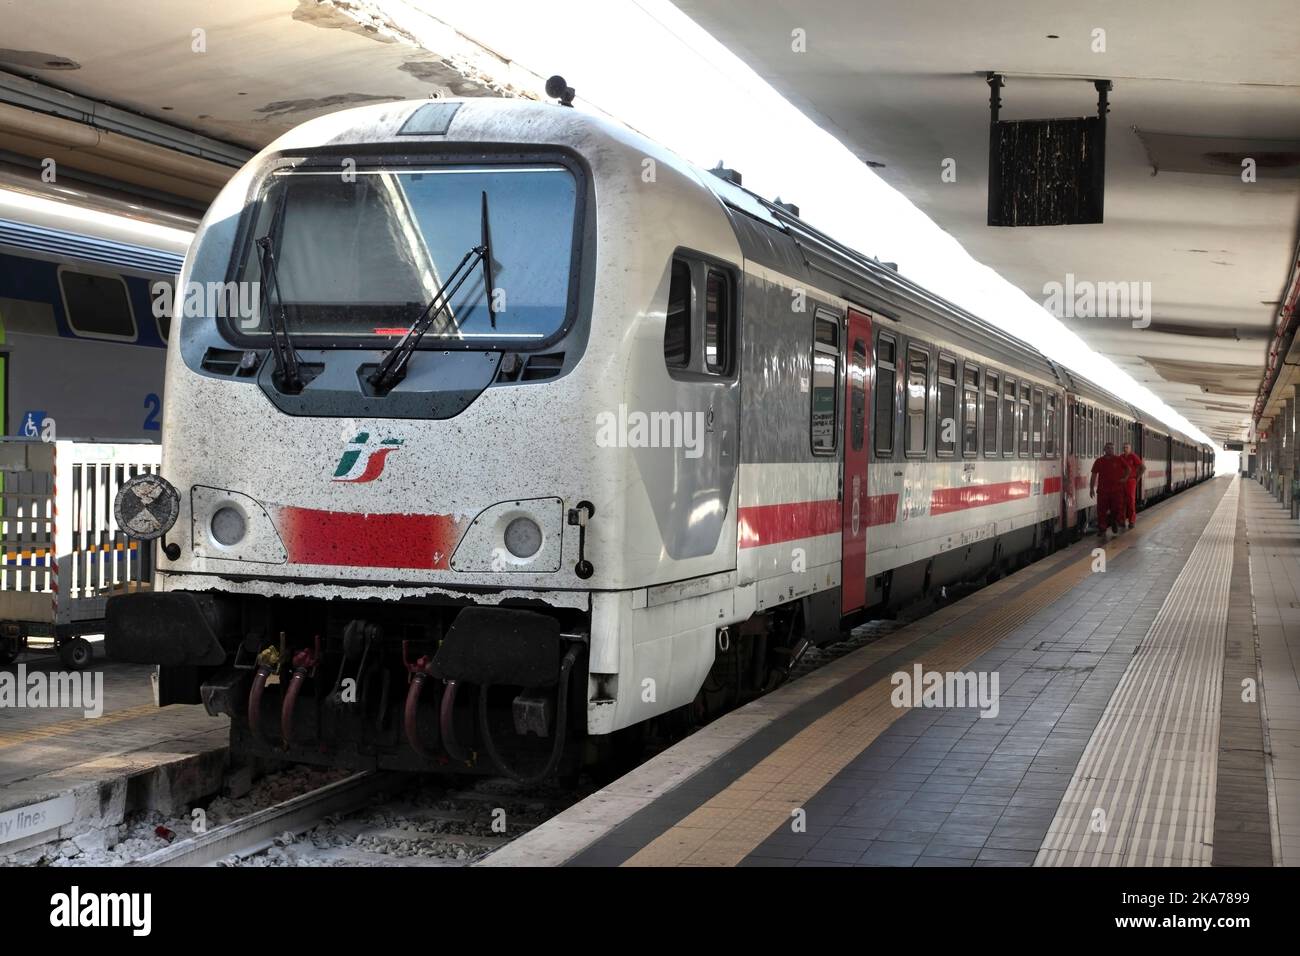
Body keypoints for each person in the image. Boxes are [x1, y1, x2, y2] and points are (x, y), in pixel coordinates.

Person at [1090, 441, 1131, 538]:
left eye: (1112, 448)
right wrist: (1091, 488)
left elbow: (1128, 469)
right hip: (1103, 491)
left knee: (1116, 509)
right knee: (1101, 510)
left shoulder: (1118, 459)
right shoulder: (1099, 461)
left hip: (1116, 490)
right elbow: (1094, 475)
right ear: (1104, 450)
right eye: (1108, 448)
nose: (1110, 450)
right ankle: (1102, 529)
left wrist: (1125, 478)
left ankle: (1114, 522)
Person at [1120, 441, 1146, 529]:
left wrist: (1137, 478)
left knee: (1131, 501)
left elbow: (1143, 467)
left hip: (1131, 481)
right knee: (1121, 502)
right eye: (1124, 447)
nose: (1125, 449)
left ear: (1130, 449)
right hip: (1122, 481)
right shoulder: (1121, 457)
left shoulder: (1133, 456)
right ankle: (1122, 521)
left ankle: (1132, 521)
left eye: (1127, 447)